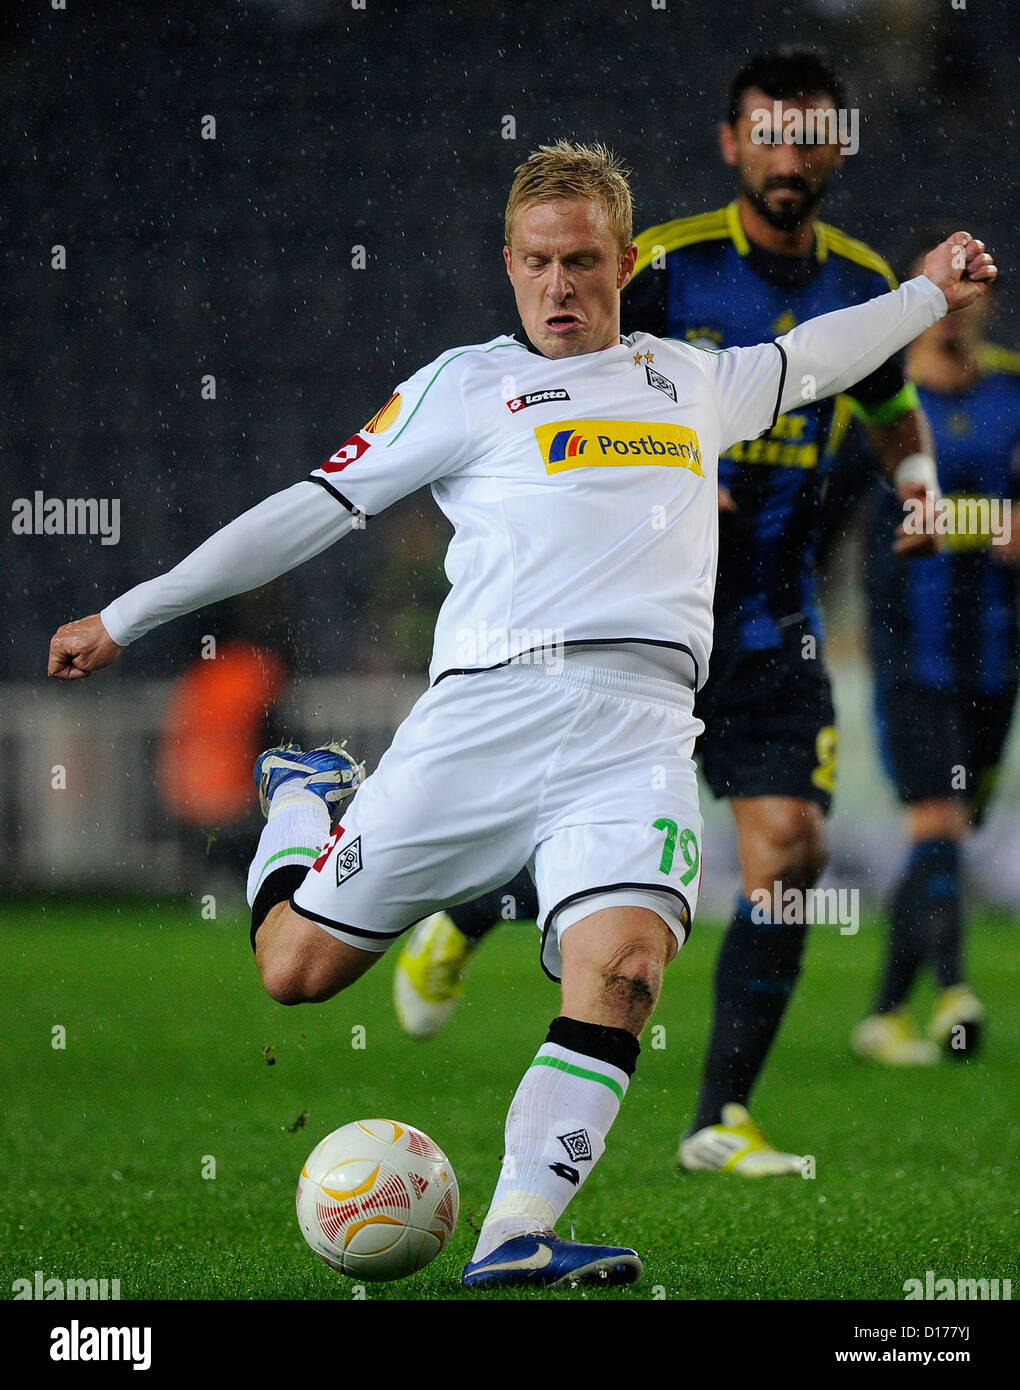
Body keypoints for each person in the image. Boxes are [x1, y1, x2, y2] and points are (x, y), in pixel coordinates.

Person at [47, 140, 992, 1287]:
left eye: (583, 262)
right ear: (508, 263)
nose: (560, 286)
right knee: (292, 971)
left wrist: (930, 291)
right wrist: (129, 611)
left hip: (639, 730)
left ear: (625, 259)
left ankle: (515, 1232)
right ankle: (306, 800)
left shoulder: (689, 381)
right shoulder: (462, 386)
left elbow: (818, 355)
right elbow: (305, 509)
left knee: (627, 972)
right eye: (538, 263)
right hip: (486, 716)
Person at [393, 49, 939, 1178]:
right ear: (732, 144)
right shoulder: (670, 272)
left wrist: (925, 488)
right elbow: (569, 366)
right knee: (575, 821)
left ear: (836, 146)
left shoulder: (859, 281)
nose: (789, 156)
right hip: (627, 608)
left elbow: (887, 402)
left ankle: (719, 1118)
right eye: (767, 134)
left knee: (787, 849)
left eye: (810, 134)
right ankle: (473, 905)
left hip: (770, 622)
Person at [849, 231, 1020, 1066]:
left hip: (997, 655)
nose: (965, 299)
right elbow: (884, 528)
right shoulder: (882, 397)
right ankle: (954, 992)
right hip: (911, 652)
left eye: (976, 283)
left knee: (947, 834)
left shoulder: (1015, 392)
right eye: (949, 283)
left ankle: (883, 1013)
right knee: (941, 820)